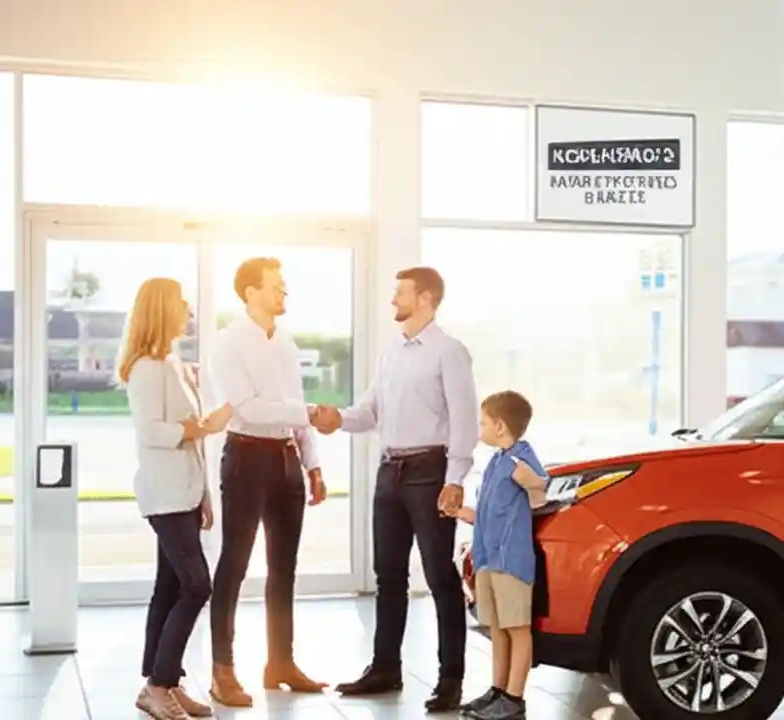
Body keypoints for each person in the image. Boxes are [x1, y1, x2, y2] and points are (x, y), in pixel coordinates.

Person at [310, 266, 477, 712]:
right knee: (388, 575)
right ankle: (385, 668)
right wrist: (337, 419)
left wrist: (455, 479)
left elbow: (465, 421)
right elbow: (370, 412)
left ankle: (450, 679)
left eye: (400, 292)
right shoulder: (391, 353)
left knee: (440, 577)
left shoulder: (449, 352)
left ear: (425, 297)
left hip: (430, 471)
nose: (393, 300)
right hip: (390, 472)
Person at [207, 257, 329, 708]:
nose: (284, 292)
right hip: (247, 457)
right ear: (250, 292)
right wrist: (306, 412)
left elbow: (295, 405)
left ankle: (281, 662)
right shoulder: (229, 342)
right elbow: (248, 408)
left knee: (283, 568)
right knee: (235, 564)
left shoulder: (286, 343)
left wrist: (313, 464)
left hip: (286, 459)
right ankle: (222, 671)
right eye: (276, 285)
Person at [118, 278, 232, 720]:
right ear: (163, 309)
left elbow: (191, 436)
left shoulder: (171, 362)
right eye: (182, 304)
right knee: (197, 586)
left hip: (182, 492)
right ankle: (158, 684)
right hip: (164, 494)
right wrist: (196, 428)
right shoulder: (147, 368)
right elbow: (150, 431)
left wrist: (203, 495)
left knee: (168, 587)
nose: (188, 311)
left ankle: (163, 681)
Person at [448, 391, 548, 720]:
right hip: (488, 560)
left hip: (510, 562)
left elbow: (540, 490)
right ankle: (498, 690)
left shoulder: (521, 458)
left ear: (500, 426)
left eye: (483, 423)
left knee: (517, 628)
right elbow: (491, 512)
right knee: (497, 628)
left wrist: (532, 483)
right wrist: (462, 513)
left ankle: (514, 698)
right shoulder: (495, 462)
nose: (480, 429)